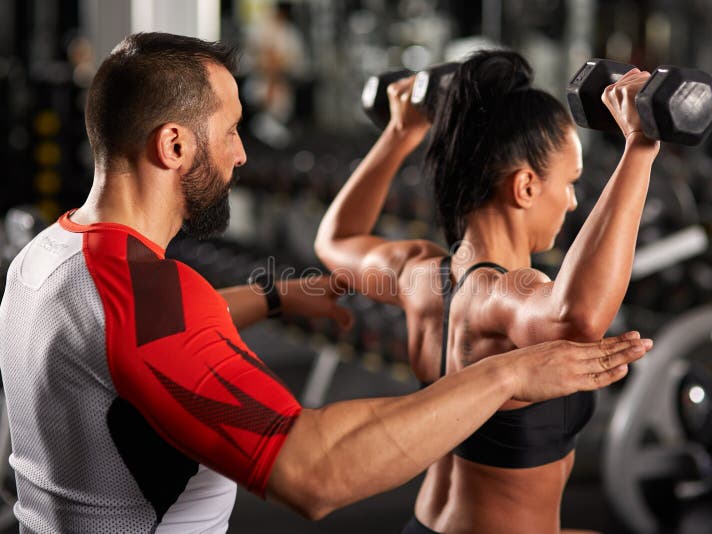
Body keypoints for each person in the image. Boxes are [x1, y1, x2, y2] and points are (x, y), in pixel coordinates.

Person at [0, 34, 652, 533]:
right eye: (229, 132)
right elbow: (315, 475)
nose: (242, 154)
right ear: (174, 146)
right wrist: (508, 376)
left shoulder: (45, 258)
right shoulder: (144, 295)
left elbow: (135, 341)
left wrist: (278, 295)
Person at [315, 49, 660, 534]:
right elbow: (575, 318)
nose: (573, 200)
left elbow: (336, 240)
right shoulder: (504, 295)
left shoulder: (422, 275)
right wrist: (639, 147)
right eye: (571, 182)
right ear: (524, 187)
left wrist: (399, 134)